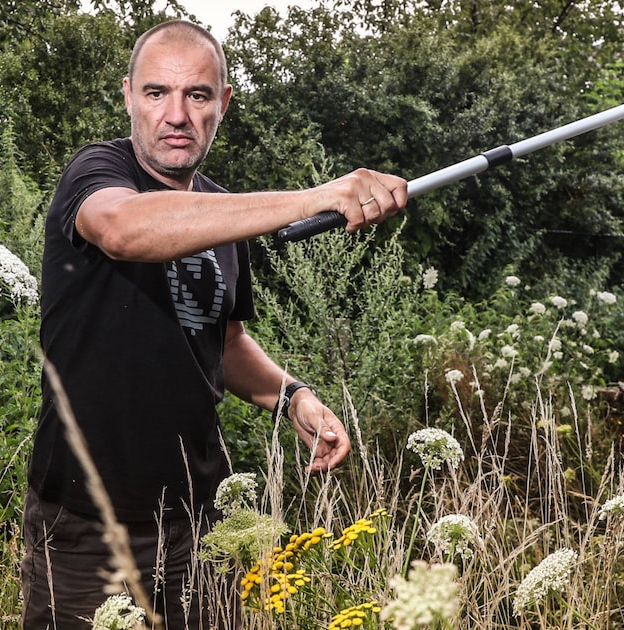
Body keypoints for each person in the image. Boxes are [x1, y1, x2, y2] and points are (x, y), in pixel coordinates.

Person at [21, 19, 406, 629]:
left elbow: (223, 343)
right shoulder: (95, 175)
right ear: (127, 97)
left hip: (201, 521)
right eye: (156, 93)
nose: (176, 114)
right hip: (87, 524)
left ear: (223, 104)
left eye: (197, 95)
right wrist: (314, 197)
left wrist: (294, 398)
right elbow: (125, 230)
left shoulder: (224, 216)